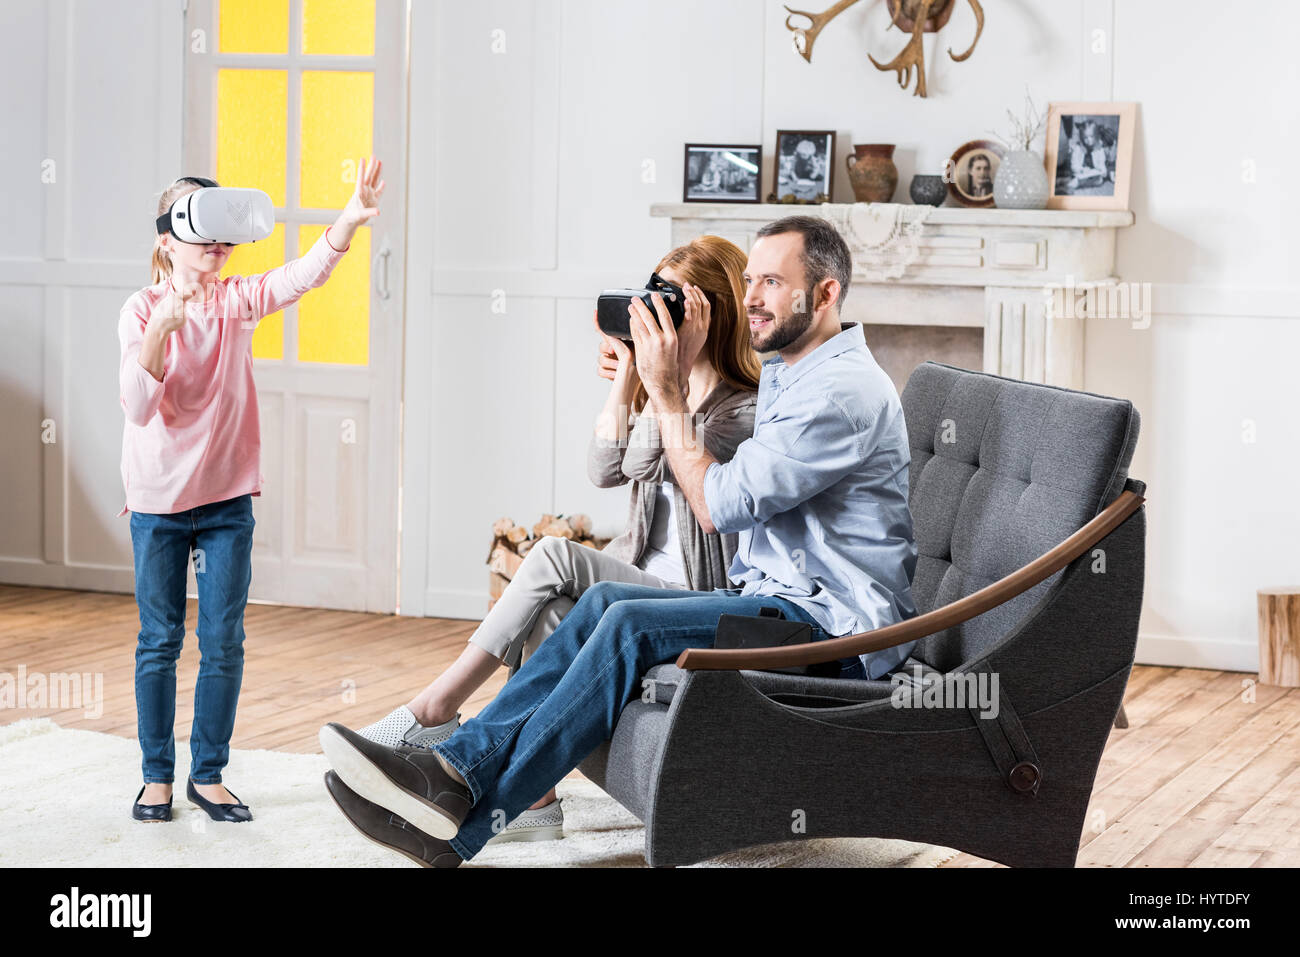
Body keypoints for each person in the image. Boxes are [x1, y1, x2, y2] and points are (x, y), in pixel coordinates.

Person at [318, 215, 918, 868]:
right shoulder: (794, 373)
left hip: (833, 633)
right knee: (605, 599)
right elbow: (625, 464)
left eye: (772, 283)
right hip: (777, 603)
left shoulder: (839, 394)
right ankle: (450, 777)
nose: (750, 299)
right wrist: (638, 376)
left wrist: (664, 387)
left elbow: (717, 505)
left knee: (627, 622)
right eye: (748, 281)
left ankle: (454, 814)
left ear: (825, 294)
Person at [349, 235, 761, 842]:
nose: (658, 321)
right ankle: (536, 801)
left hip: (693, 595)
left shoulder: (743, 411)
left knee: (551, 555)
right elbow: (602, 468)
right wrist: (629, 375)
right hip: (639, 574)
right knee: (548, 611)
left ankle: (433, 711)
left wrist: (662, 378)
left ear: (711, 315)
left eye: (673, 308)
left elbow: (644, 463)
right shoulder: (663, 389)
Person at [121, 158, 385, 823]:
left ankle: (208, 775)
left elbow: (301, 275)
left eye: (224, 230)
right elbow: (138, 408)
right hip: (157, 501)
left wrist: (348, 220)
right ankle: (156, 777)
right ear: (167, 239)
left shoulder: (236, 301)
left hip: (224, 501)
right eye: (200, 227)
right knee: (159, 640)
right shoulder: (140, 309)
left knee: (223, 639)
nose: (216, 242)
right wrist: (160, 331)